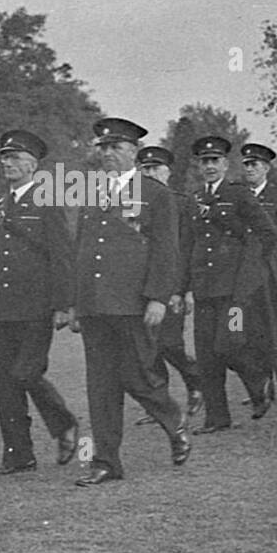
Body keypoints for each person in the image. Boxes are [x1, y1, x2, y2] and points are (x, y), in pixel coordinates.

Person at [70, 117, 191, 485]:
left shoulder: (155, 194)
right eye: (103, 148)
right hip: (95, 305)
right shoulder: (90, 191)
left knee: (138, 376)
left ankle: (174, 419)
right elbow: (83, 249)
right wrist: (77, 303)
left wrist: (158, 297)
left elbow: (166, 251)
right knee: (101, 385)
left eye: (116, 148)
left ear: (134, 153)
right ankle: (106, 462)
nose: (107, 154)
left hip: (133, 303)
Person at [0, 129, 79, 475]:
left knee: (26, 372)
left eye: (14, 157)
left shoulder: (48, 201)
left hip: (37, 306)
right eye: (4, 157)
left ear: (32, 165)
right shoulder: (2, 204)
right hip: (6, 308)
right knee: (5, 384)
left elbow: (63, 255)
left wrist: (64, 303)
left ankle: (64, 424)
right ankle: (19, 455)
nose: (7, 163)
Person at [181, 136, 277, 434]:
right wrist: (182, 288)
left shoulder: (239, 195)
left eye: (215, 161)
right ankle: (217, 418)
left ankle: (258, 380)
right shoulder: (194, 198)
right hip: (204, 288)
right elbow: (188, 244)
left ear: (226, 164)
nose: (209, 166)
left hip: (234, 291)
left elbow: (267, 233)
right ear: (199, 166)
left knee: (230, 343)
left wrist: (249, 270)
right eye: (204, 161)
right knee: (206, 355)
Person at [135, 144, 204, 425]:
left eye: (156, 168)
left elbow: (186, 249)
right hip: (141, 287)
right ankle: (160, 402)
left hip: (172, 286)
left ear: (168, 171)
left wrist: (182, 290)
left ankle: (196, 382)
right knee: (147, 349)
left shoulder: (182, 203)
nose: (150, 173)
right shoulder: (133, 202)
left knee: (169, 344)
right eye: (145, 168)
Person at [239, 142, 277, 400]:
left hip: (270, 268)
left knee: (272, 324)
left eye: (254, 165)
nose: (250, 169)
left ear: (266, 168)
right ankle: (262, 385)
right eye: (246, 165)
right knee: (249, 328)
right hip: (243, 271)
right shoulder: (238, 195)